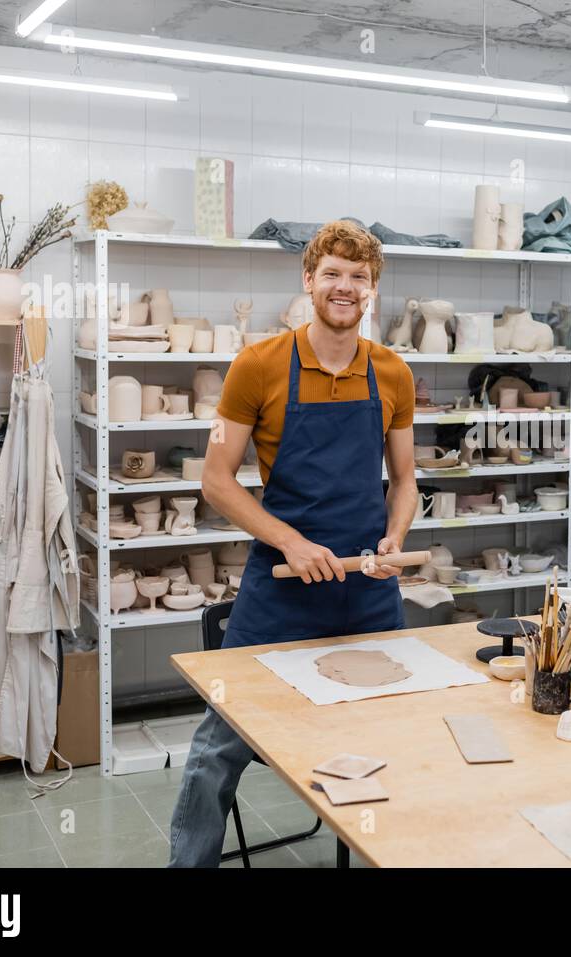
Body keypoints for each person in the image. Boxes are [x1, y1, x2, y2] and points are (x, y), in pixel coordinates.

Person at [169, 220, 417, 867]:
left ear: (372, 289)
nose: (344, 286)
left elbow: (407, 479)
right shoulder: (257, 365)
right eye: (332, 273)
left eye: (358, 277)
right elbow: (215, 480)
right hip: (279, 595)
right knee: (216, 751)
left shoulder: (392, 373)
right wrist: (292, 543)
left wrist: (396, 533)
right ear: (307, 280)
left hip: (367, 589)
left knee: (401, 736)